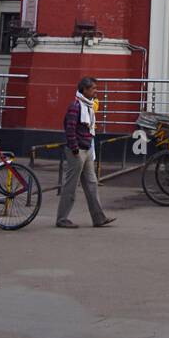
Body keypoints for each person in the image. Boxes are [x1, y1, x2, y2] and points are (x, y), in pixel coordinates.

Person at [56, 77, 115, 228]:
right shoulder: (76, 106)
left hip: (86, 148)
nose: (96, 91)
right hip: (78, 150)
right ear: (85, 90)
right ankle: (62, 218)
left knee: (92, 183)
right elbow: (69, 128)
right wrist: (75, 148)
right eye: (93, 88)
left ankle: (99, 218)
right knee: (71, 185)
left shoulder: (87, 105)